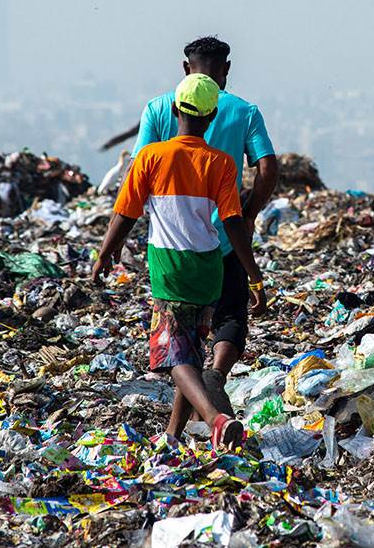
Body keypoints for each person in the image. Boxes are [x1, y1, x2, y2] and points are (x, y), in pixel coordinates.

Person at [93, 73, 267, 449]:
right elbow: (234, 224)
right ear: (212, 115)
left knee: (177, 359)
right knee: (189, 349)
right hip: (209, 271)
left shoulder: (151, 157)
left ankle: (216, 420)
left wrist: (107, 252)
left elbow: (126, 213)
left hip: (170, 271)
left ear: (174, 110)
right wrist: (253, 275)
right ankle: (172, 435)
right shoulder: (221, 163)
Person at [132, 36, 279, 382]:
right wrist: (249, 213)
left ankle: (195, 404)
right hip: (226, 240)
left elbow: (139, 168)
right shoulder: (244, 112)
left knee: (179, 334)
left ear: (186, 70)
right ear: (226, 70)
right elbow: (268, 168)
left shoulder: (159, 108)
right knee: (231, 318)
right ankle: (216, 376)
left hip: (171, 247)